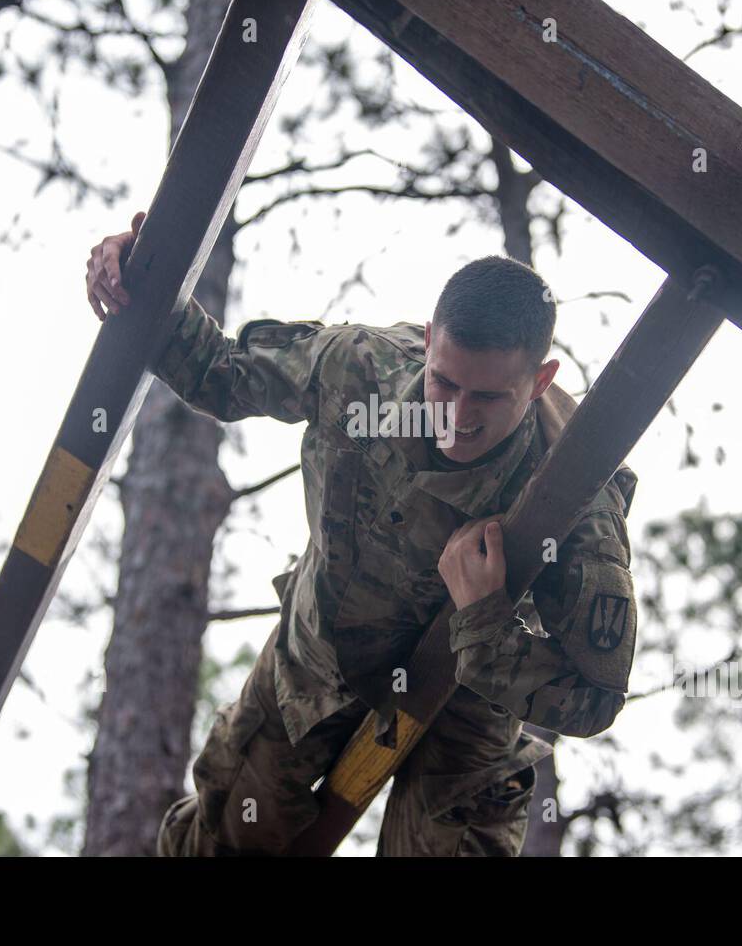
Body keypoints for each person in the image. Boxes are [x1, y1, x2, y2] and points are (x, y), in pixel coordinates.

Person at [85, 212, 639, 856]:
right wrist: (141, 278)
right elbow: (221, 370)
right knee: (223, 840)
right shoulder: (360, 369)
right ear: (429, 343)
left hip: (464, 710)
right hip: (319, 657)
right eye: (445, 382)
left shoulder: (574, 493)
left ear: (539, 380)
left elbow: (596, 698)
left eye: (487, 398)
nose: (457, 417)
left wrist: (486, 621)